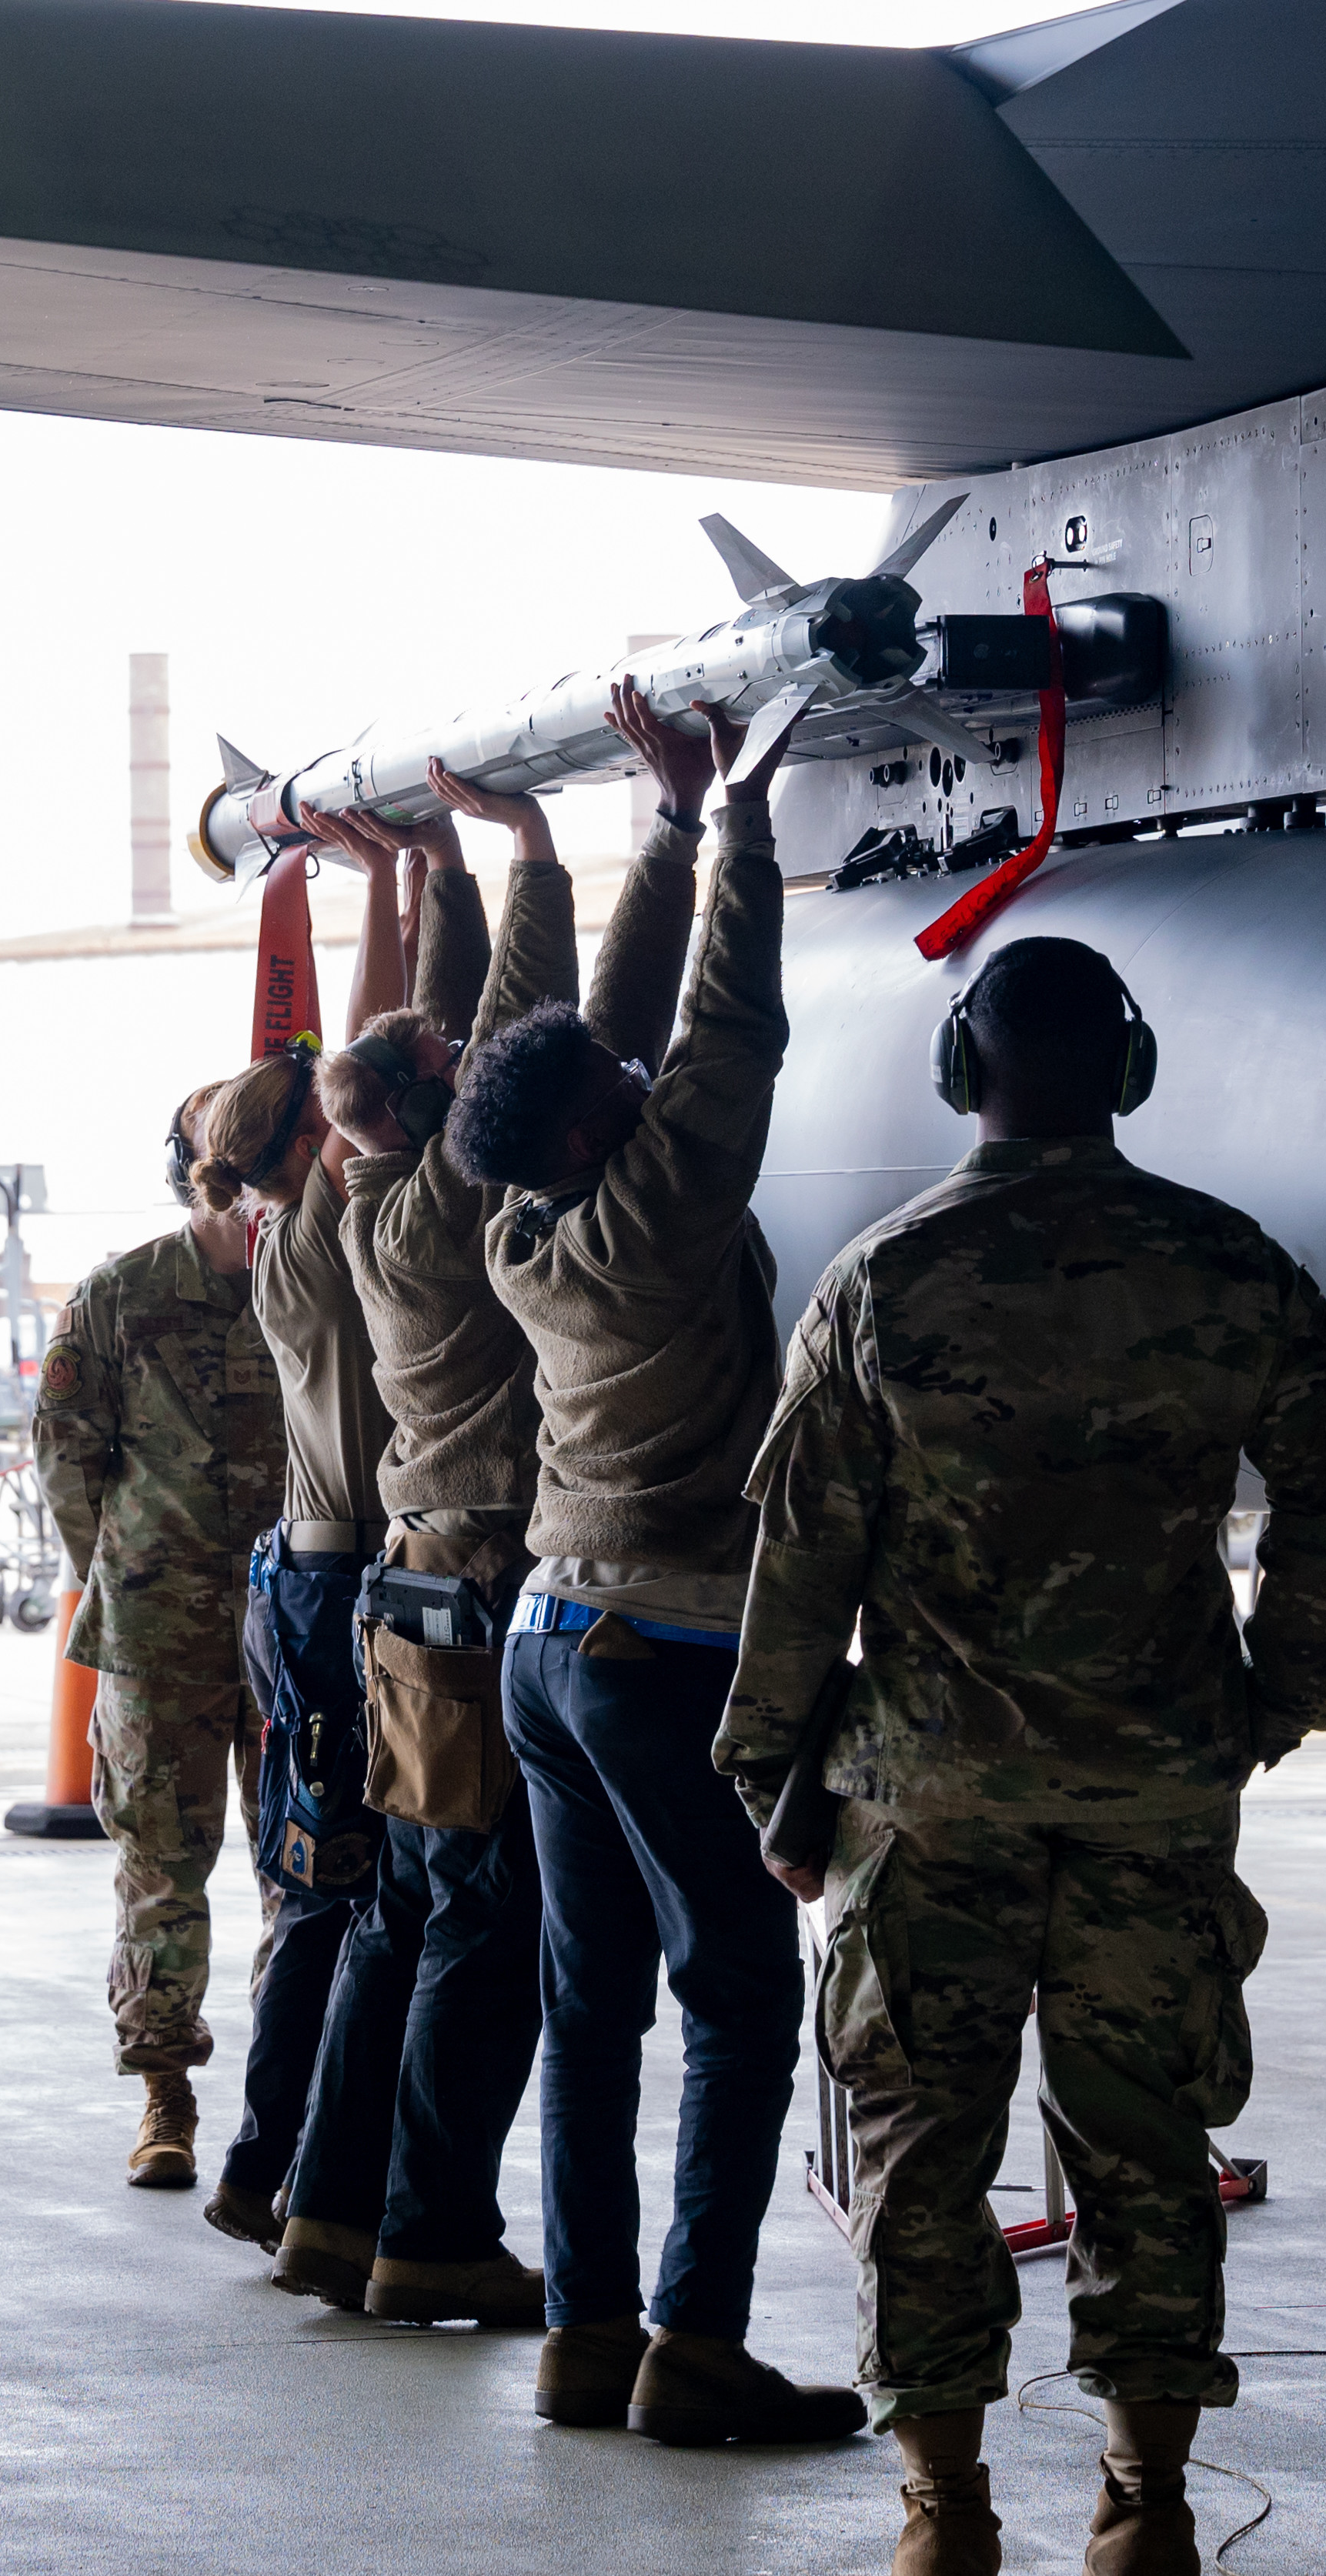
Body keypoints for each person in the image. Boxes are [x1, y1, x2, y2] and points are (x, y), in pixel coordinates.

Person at [716, 935, 1326, 2576]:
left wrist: (770, 1784)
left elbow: (801, 1559)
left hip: (926, 1807)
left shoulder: (883, 1276)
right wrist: (1275, 1701)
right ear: (1130, 1066)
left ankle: (945, 2522)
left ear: (964, 1067)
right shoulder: (1235, 1267)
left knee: (922, 2153)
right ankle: (1146, 2506)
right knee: (1145, 2147)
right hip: (1156, 1795)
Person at [443, 680, 865, 2446]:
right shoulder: (649, 1211)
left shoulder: (526, 1215)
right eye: (622, 1098)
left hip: (550, 1635)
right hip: (662, 1643)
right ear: (601, 1135)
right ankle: (697, 2342)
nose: (638, 1082)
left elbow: (592, 1041)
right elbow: (725, 1031)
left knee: (593, 1997)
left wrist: (664, 830)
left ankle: (591, 2333)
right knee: (741, 1991)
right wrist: (743, 824)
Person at [266, 763, 579, 2324]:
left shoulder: (357, 1195)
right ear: (420, 1109)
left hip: (410, 1571)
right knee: (486, 1921)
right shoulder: (451, 1205)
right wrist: (525, 860)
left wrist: (432, 869)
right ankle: (434, 2226)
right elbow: (516, 1023)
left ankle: (335, 2210)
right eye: (448, 1072)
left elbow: (438, 1035)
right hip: (474, 1574)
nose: (471, 1072)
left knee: (404, 1907)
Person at [189, 829, 414, 2253]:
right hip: (340, 1582)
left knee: (312, 1893)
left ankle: (271, 2164)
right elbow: (366, 1061)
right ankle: (284, 2167)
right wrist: (389, 884)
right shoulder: (325, 1226)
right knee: (348, 1902)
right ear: (308, 1147)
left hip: (303, 1571)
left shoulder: (275, 1234)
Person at [32, 1082, 286, 2191]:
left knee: (308, 1874)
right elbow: (66, 1453)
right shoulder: (123, 1293)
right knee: (161, 1874)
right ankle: (165, 2094)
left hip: (295, 1626)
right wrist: (120, 1575)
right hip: (160, 1629)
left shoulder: (315, 1282)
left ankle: (294, 2100)